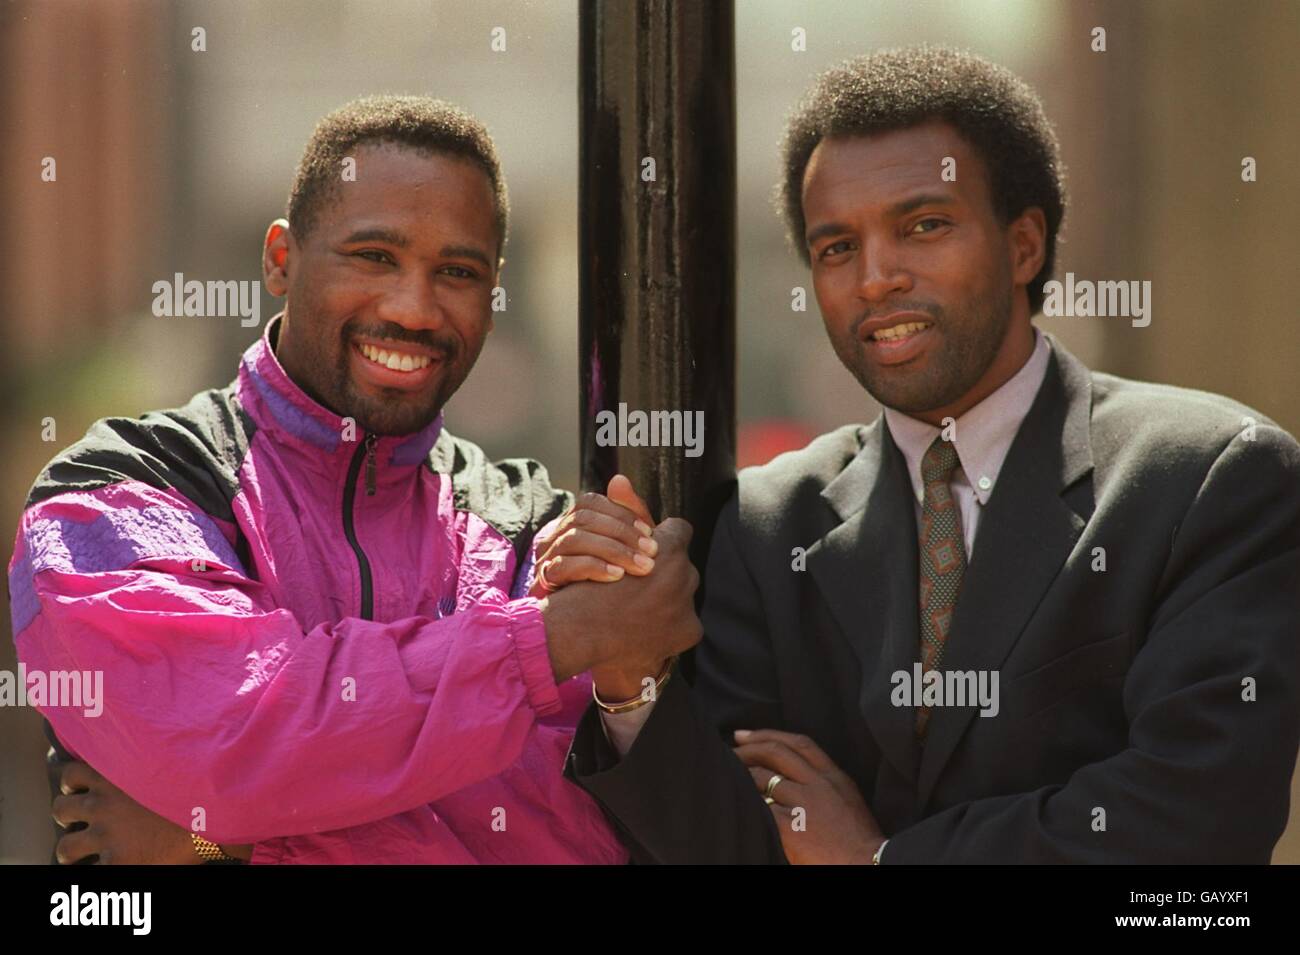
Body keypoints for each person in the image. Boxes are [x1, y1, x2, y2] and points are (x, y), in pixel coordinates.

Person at [565, 46, 1300, 864]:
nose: (876, 278)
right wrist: (629, 684)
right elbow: (735, 843)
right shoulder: (768, 525)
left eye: (923, 225)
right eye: (837, 247)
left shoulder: (1208, 477)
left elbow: (1198, 829)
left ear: (1024, 245)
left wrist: (881, 861)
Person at [10, 94, 700, 864]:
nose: (412, 307)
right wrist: (551, 644)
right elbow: (239, 742)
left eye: (457, 271)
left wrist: (226, 844)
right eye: (374, 256)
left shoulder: (533, 529)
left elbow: (581, 846)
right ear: (280, 259)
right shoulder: (117, 492)